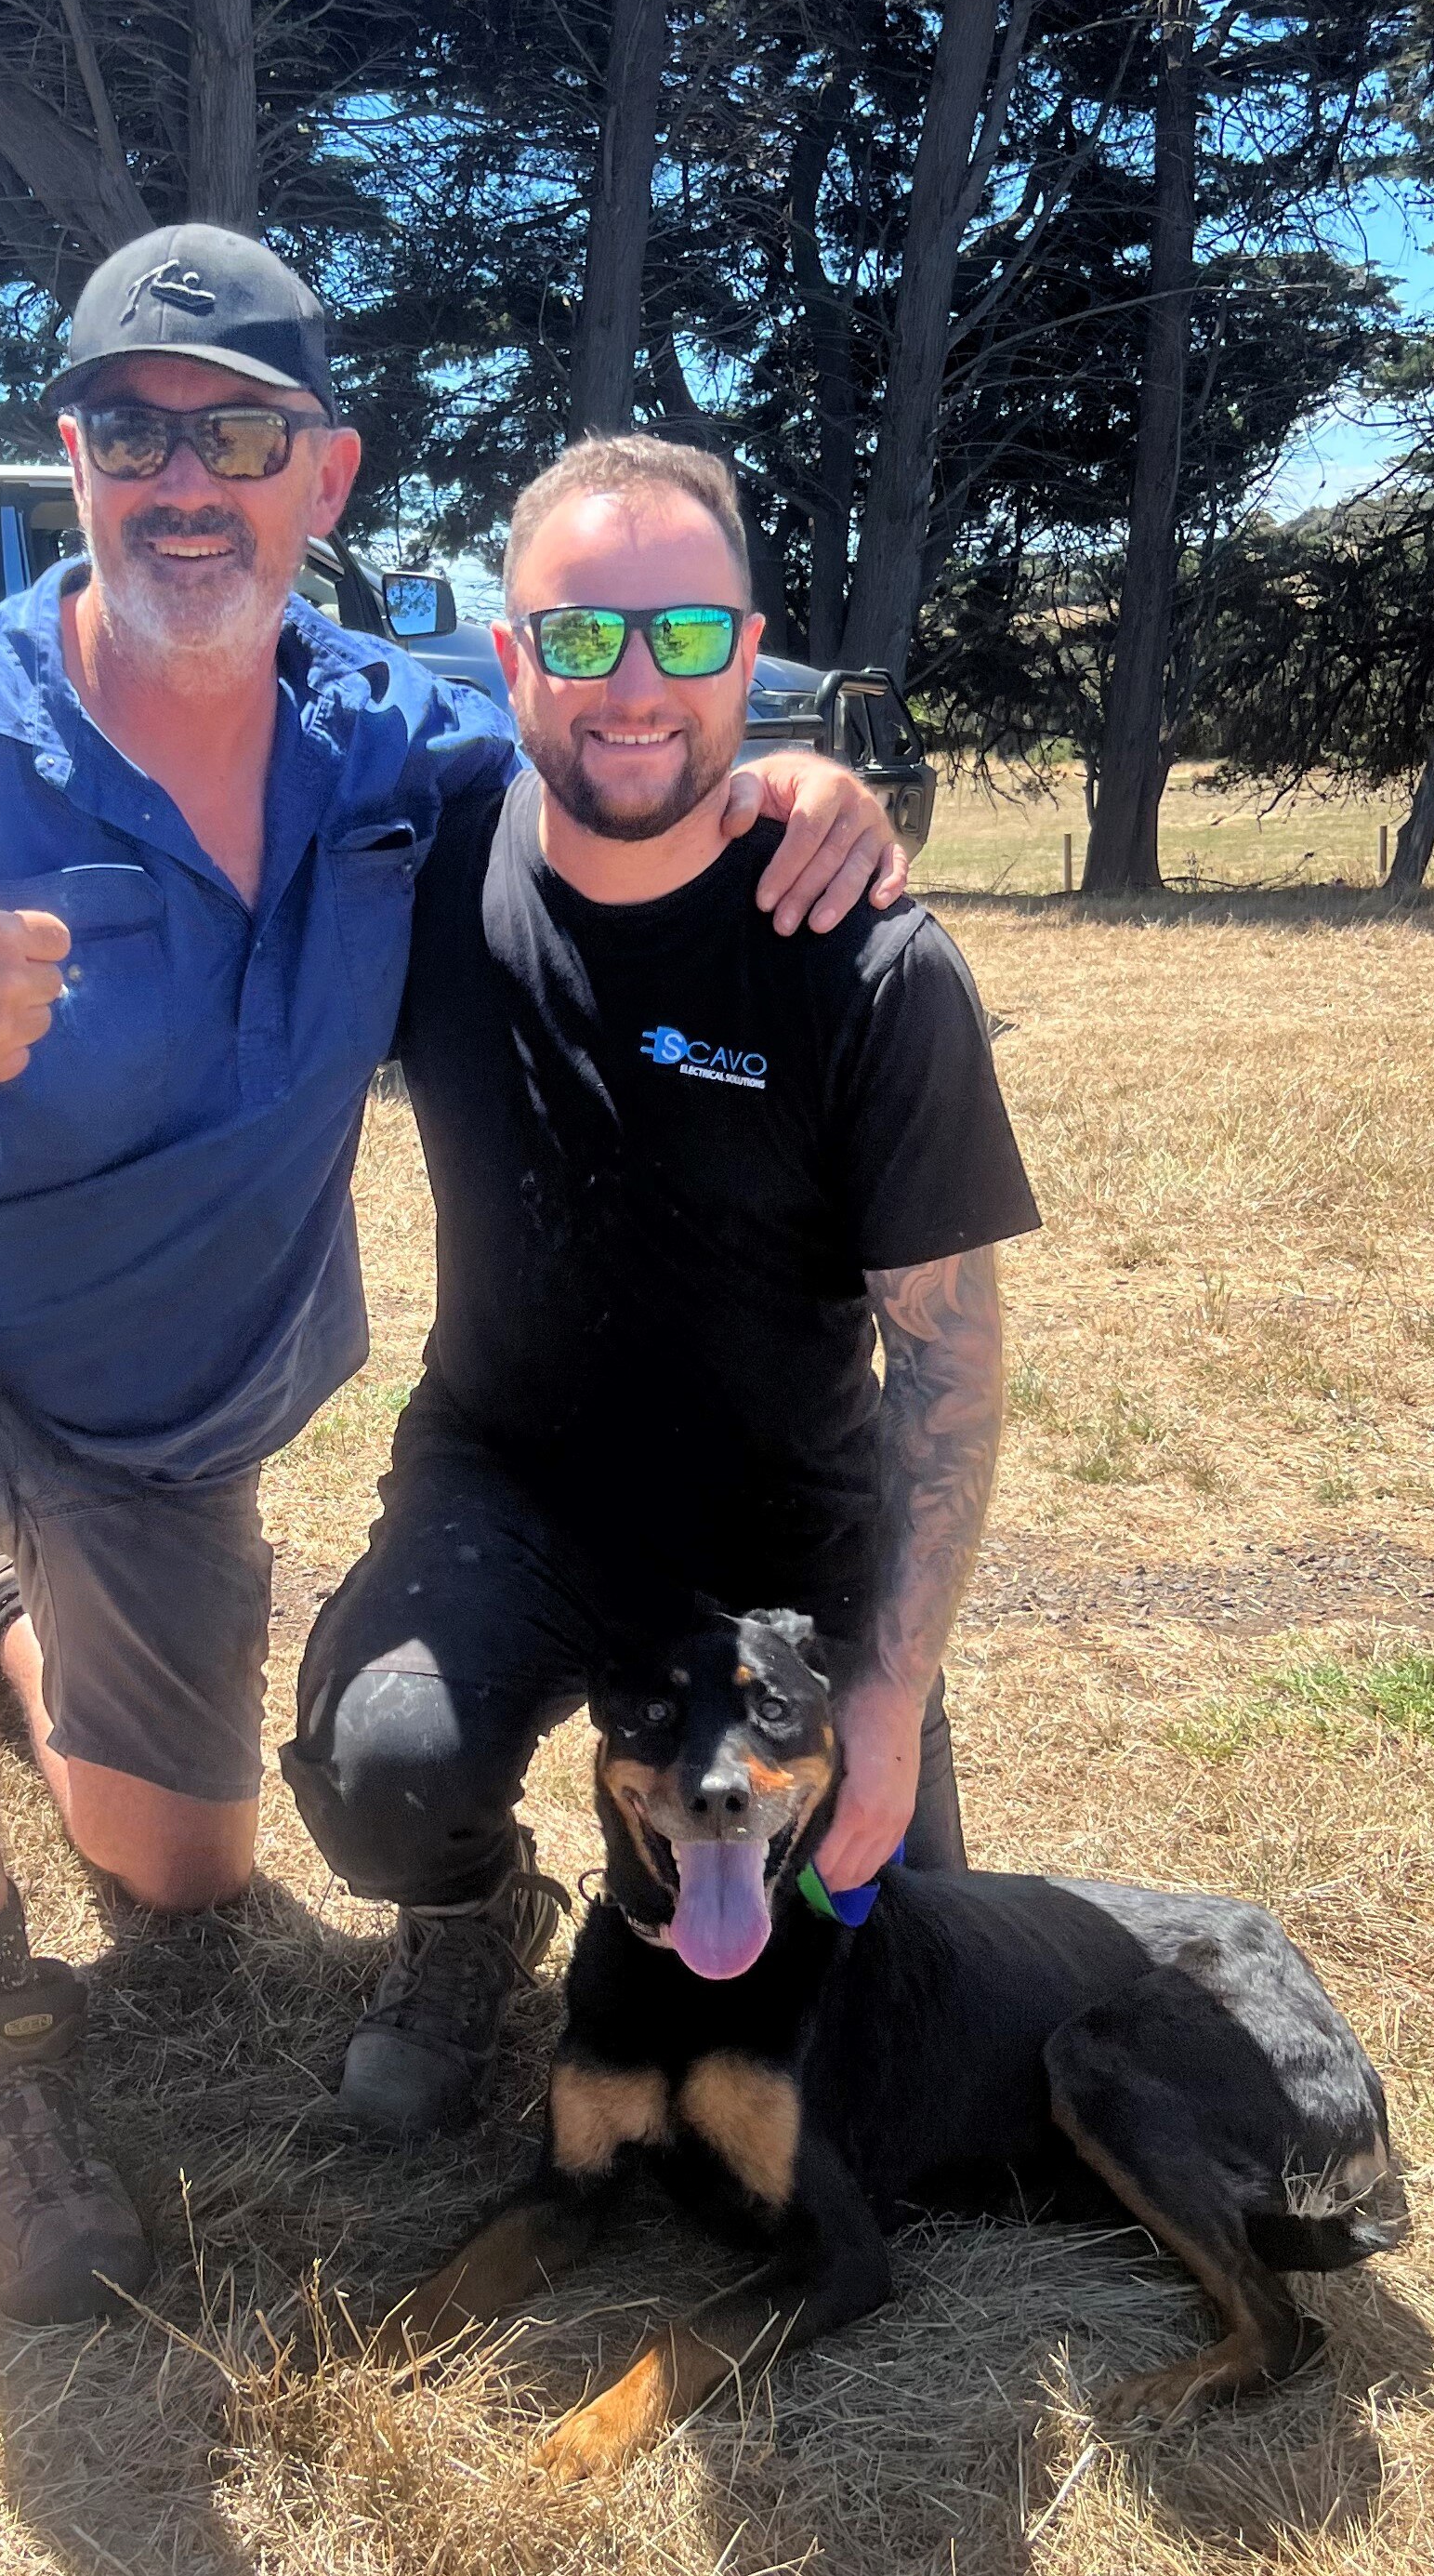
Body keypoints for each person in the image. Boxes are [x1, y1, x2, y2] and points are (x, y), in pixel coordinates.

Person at [0, 226, 906, 2327]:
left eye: (239, 433)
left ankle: (3, 1632)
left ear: (329, 472)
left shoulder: (393, 742)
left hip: (164, 1419)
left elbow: (618, 761)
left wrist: (781, 784)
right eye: (135, 430)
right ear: (76, 455)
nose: (183, 478)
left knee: (182, 1882)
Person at [285, 434, 1041, 2139]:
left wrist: (891, 1691)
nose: (636, 683)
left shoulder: (869, 963)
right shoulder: (426, 864)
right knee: (379, 1768)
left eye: (686, 637)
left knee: (893, 1976)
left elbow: (947, 1363)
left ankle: (815, 1801)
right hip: (510, 1484)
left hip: (788, 1540)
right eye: (581, 633)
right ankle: (472, 1924)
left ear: (751, 651)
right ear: (507, 654)